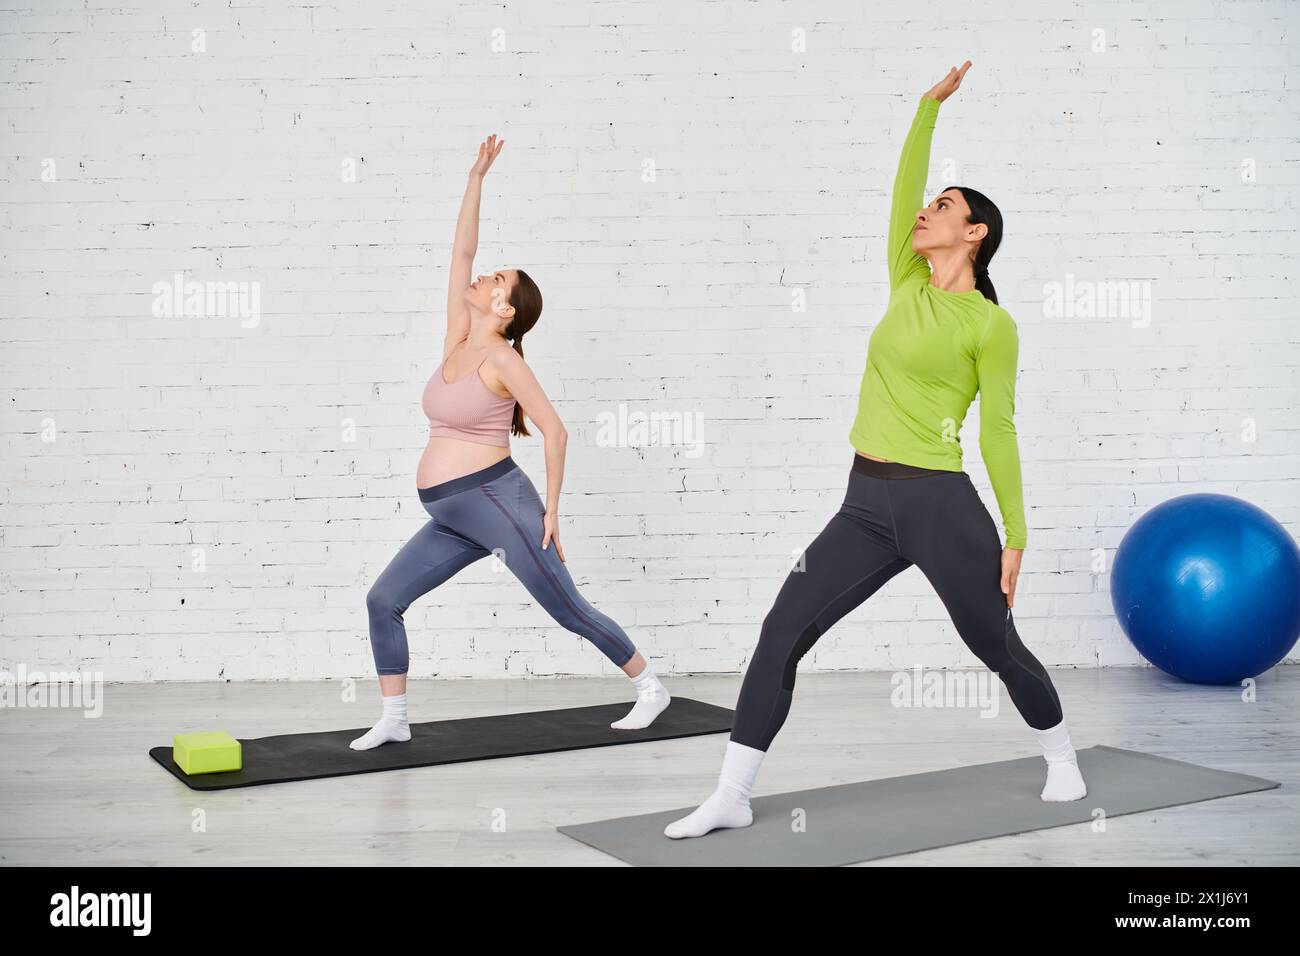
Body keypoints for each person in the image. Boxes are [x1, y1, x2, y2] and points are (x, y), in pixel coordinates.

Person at [665, 62, 1087, 839]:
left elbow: (998, 429)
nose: (926, 213)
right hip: (864, 502)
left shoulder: (991, 327)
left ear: (977, 233)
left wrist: (1017, 533)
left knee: (992, 642)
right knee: (780, 630)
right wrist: (926, 112)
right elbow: (903, 190)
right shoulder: (907, 279)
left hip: (940, 507)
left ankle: (1061, 756)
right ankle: (732, 793)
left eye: (945, 208)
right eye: (929, 205)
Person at [351, 135, 669, 751]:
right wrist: (477, 179)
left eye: (496, 278)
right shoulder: (458, 340)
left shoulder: (501, 358)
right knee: (384, 599)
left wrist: (550, 510)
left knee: (566, 609)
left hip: (498, 504)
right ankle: (395, 718)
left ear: (505, 309)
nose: (481, 274)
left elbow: (555, 429)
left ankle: (650, 687)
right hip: (450, 516)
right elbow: (460, 248)